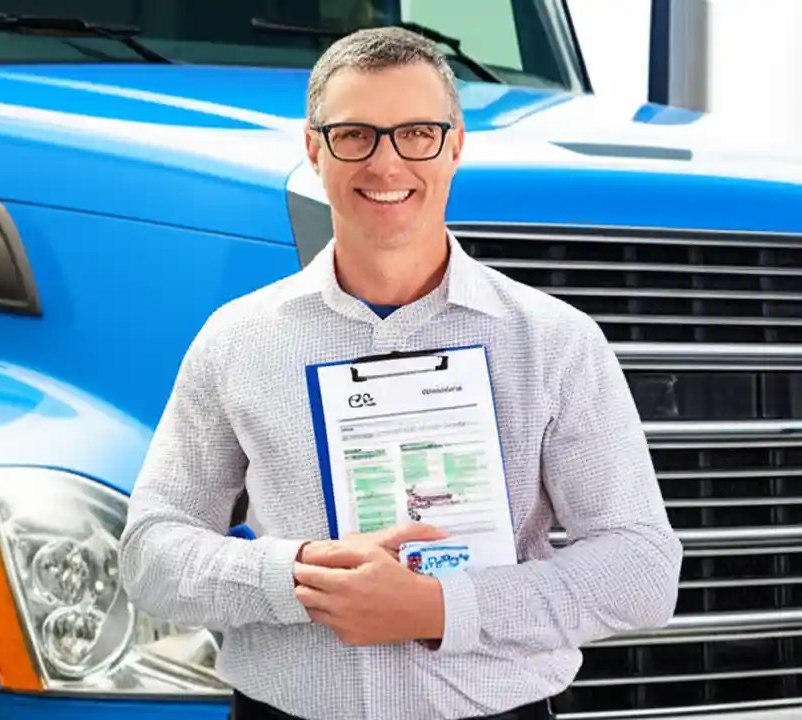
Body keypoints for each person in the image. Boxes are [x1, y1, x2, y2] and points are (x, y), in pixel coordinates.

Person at [118, 26, 682, 720]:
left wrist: (440, 607)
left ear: (455, 145)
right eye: (355, 135)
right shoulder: (236, 340)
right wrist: (299, 576)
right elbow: (150, 554)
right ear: (314, 149)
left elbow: (640, 568)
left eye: (416, 133)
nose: (386, 164)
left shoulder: (554, 341)